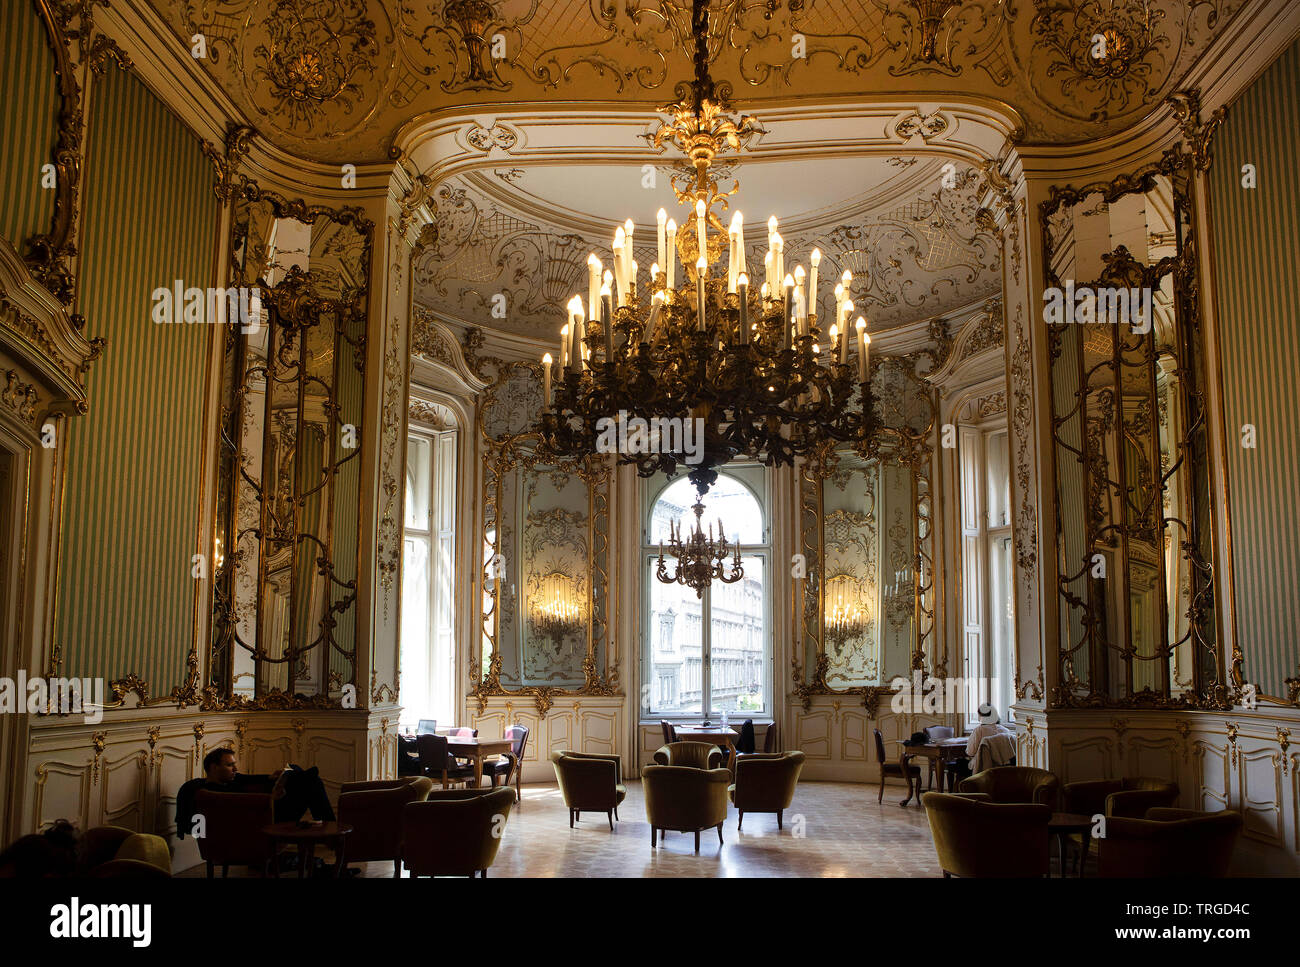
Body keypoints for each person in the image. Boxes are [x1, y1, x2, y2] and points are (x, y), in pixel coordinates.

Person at [174, 748, 335, 842]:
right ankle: (333, 834)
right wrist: (270, 799)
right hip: (253, 829)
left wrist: (274, 778)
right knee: (311, 781)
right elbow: (238, 811)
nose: (235, 769)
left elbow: (251, 778)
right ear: (214, 767)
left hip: (265, 818)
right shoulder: (210, 791)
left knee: (306, 779)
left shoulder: (233, 780)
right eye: (230, 765)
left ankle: (332, 833)